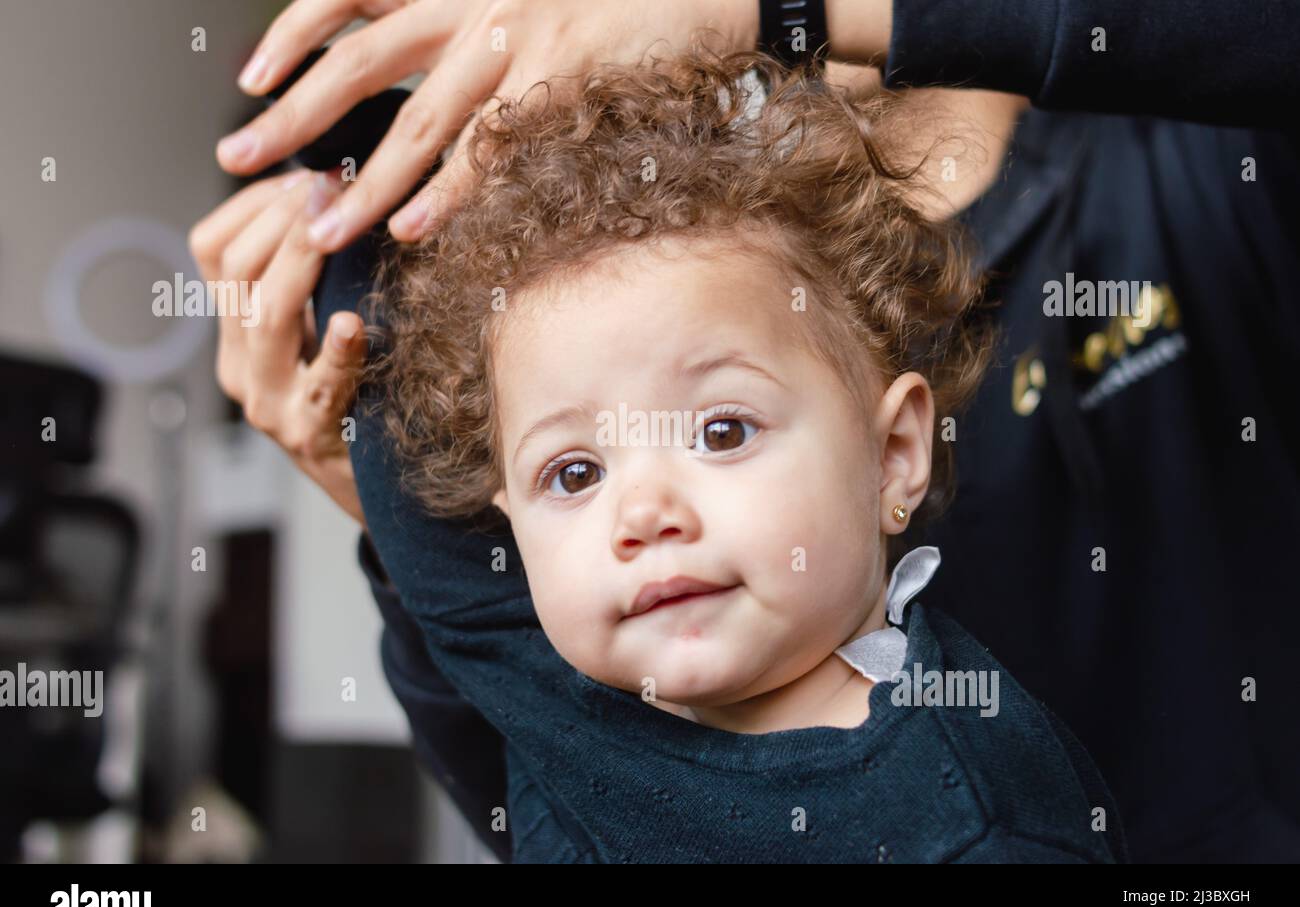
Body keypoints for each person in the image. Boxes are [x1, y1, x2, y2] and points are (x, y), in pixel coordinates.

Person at [192, 0, 1300, 862]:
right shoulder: (624, 305)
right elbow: (567, 792)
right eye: (571, 472)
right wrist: (388, 490)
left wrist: (778, 5)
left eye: (725, 430)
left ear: (896, 449)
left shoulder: (1187, 155)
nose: (643, 510)